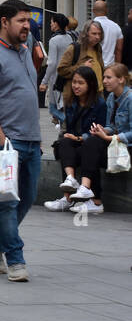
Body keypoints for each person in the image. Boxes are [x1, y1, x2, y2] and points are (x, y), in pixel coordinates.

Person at [0, 0, 45, 282]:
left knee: (26, 200)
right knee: (6, 203)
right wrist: (1, 139)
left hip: (31, 138)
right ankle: (15, 259)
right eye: (21, 21)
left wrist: (36, 136)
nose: (28, 26)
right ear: (4, 22)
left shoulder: (25, 51)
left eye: (29, 21)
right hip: (3, 142)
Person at [42, 64, 106, 214]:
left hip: (95, 144)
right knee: (64, 143)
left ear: (90, 84)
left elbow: (99, 131)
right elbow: (68, 129)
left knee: (89, 146)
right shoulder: (71, 102)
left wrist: (78, 138)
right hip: (76, 142)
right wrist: (70, 138)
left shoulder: (99, 104)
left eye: (80, 83)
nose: (76, 86)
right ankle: (69, 190)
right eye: (74, 82)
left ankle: (95, 201)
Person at [71, 63, 132, 215]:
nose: (104, 81)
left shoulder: (130, 99)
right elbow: (111, 125)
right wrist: (102, 130)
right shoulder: (111, 97)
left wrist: (111, 137)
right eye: (104, 77)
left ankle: (91, 194)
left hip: (127, 147)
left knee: (92, 146)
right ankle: (91, 196)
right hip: (116, 145)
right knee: (89, 146)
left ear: (121, 80)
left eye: (108, 77)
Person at [56, 20, 105, 104]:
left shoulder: (98, 48)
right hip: (79, 98)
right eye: (94, 34)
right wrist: (81, 67)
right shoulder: (75, 48)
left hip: (98, 94)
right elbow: (61, 70)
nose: (97, 37)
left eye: (99, 34)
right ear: (86, 34)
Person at [40, 12, 75, 125]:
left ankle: (67, 124)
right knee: (63, 105)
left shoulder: (54, 40)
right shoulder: (70, 37)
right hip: (68, 76)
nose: (50, 25)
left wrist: (44, 81)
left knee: (54, 108)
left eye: (51, 22)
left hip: (56, 78)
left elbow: (52, 63)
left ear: (56, 24)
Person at [92, 0, 123, 67]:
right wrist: (117, 67)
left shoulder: (89, 26)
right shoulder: (116, 26)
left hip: (93, 66)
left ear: (93, 10)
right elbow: (119, 50)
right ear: (106, 10)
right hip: (110, 66)